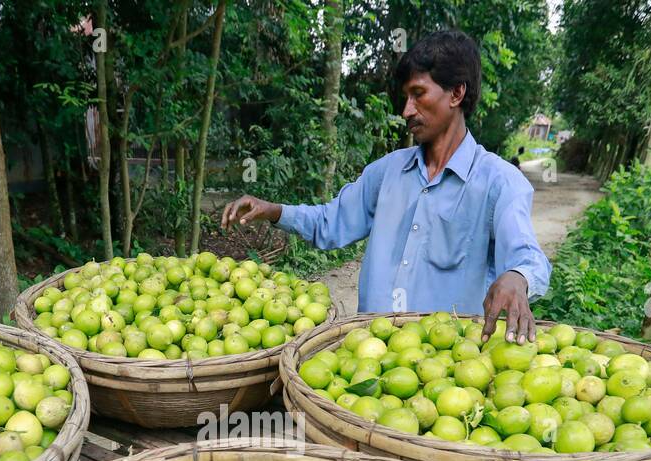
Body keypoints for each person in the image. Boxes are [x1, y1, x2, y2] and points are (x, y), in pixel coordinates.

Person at [221, 29, 550, 343]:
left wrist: (516, 278)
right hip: (373, 357)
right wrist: (273, 211)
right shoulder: (386, 173)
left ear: (456, 93)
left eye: (418, 94)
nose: (407, 110)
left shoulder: (499, 182)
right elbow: (329, 222)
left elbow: (528, 257)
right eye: (405, 97)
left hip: (449, 377)